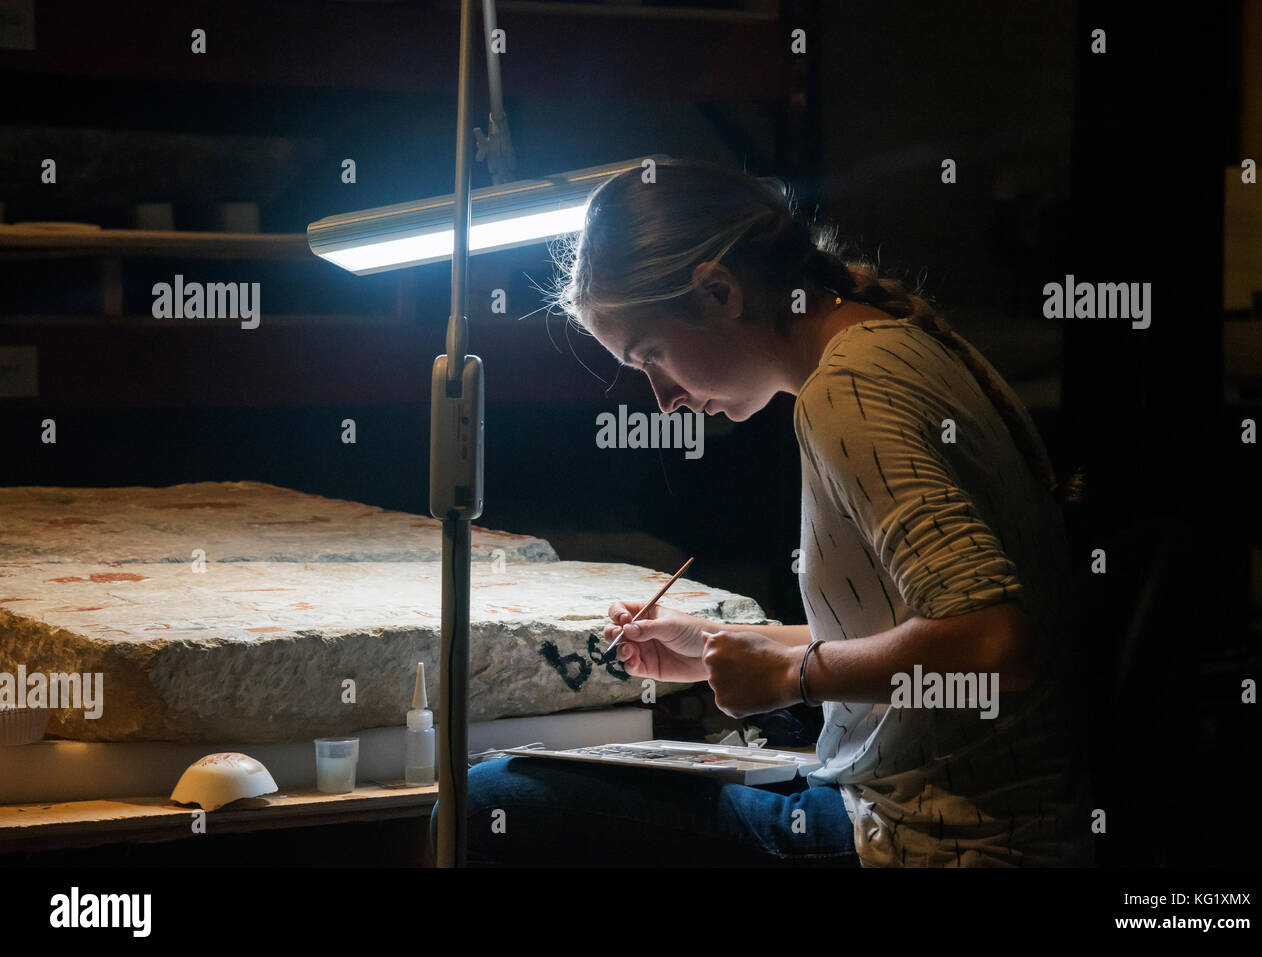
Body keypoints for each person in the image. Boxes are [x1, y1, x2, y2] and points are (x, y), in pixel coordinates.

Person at [429, 156, 1092, 867]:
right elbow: (910, 626)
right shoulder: (896, 347)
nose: (664, 399)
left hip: (937, 843)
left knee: (492, 803)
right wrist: (723, 644)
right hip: (959, 819)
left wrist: (790, 678)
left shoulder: (849, 391)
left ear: (718, 292)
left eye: (653, 355)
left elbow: (993, 642)